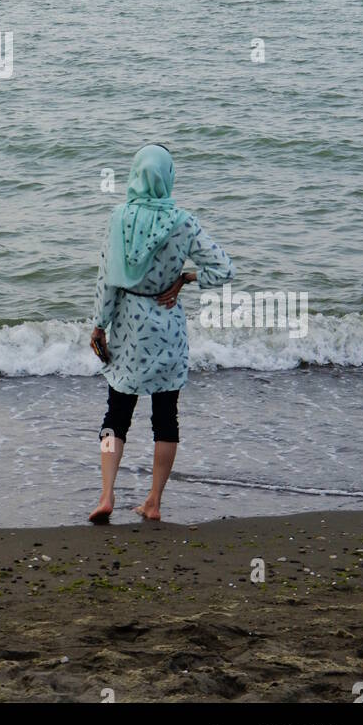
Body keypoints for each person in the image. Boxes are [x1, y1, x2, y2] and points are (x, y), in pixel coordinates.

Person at [89, 144, 233, 523]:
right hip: (167, 329)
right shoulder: (183, 221)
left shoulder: (119, 217)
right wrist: (186, 277)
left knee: (115, 416)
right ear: (168, 177)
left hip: (128, 331)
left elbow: (107, 280)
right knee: (165, 418)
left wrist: (99, 324)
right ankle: (153, 501)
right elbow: (223, 268)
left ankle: (106, 494)